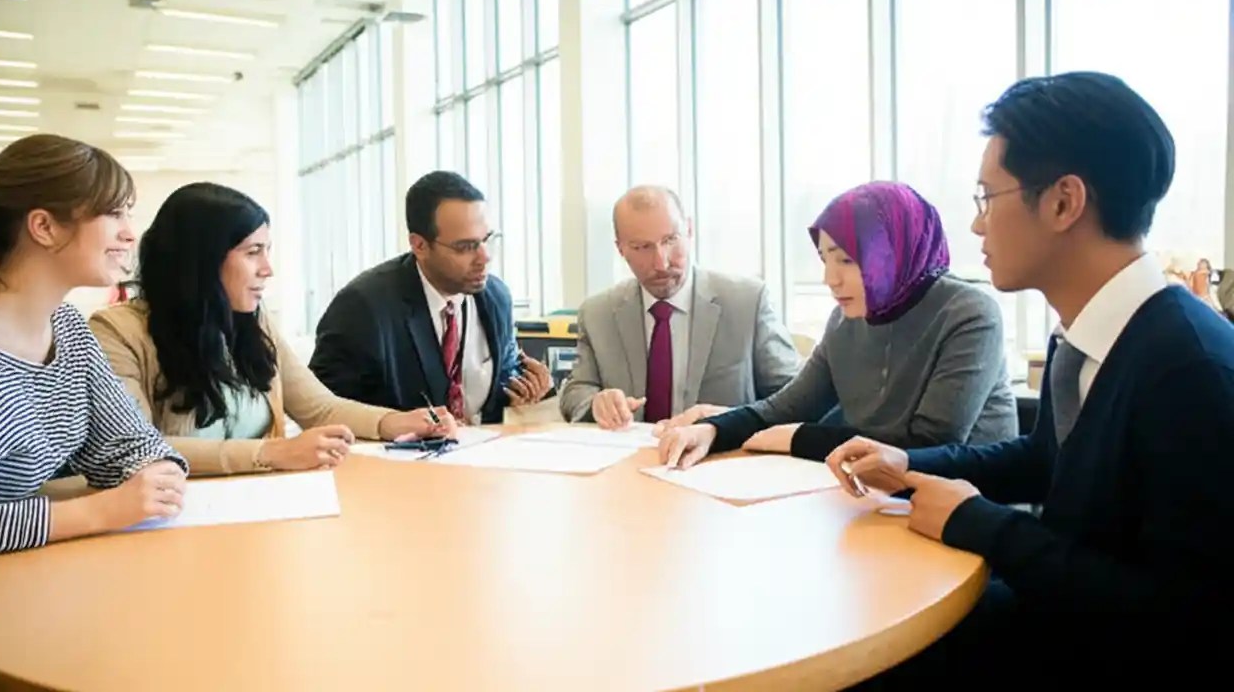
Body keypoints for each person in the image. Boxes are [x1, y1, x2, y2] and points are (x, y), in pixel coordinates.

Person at [830, 72, 1234, 685]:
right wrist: (912, 467)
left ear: (1064, 202)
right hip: (1062, 616)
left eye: (987, 198)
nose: (976, 227)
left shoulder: (1190, 369)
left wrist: (981, 522)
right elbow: (1048, 457)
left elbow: (1181, 614)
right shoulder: (1088, 333)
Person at [90, 183, 453, 477]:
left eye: (268, 251)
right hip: (171, 521)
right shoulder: (118, 332)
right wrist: (270, 453)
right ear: (202, 259)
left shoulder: (252, 320)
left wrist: (397, 422)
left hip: (263, 510)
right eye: (253, 252)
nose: (268, 269)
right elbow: (137, 449)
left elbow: (320, 408)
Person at [656, 181, 1017, 469]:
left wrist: (799, 438)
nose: (830, 279)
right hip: (876, 496)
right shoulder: (845, 320)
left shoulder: (969, 312)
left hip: (967, 507)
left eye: (846, 260)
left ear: (892, 254)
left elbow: (930, 445)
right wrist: (711, 431)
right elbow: (788, 408)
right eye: (825, 259)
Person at [0, 134, 189, 561]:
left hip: (23, 569)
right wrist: (102, 511)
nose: (129, 233)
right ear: (44, 227)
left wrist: (156, 474)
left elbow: (130, 442)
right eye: (114, 213)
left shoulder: (67, 328)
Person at [309, 171, 552, 424]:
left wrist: (526, 391)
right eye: (465, 247)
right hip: (397, 461)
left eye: (487, 240)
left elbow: (501, 387)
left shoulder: (495, 297)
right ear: (419, 246)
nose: (485, 257)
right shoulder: (362, 308)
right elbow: (324, 412)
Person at [559, 185, 800, 429]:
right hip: (630, 459)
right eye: (642, 247)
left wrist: (731, 421)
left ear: (689, 230)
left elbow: (797, 399)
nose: (661, 262)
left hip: (723, 458)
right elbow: (575, 391)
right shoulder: (598, 314)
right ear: (620, 248)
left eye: (670, 240)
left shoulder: (747, 301)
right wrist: (595, 403)